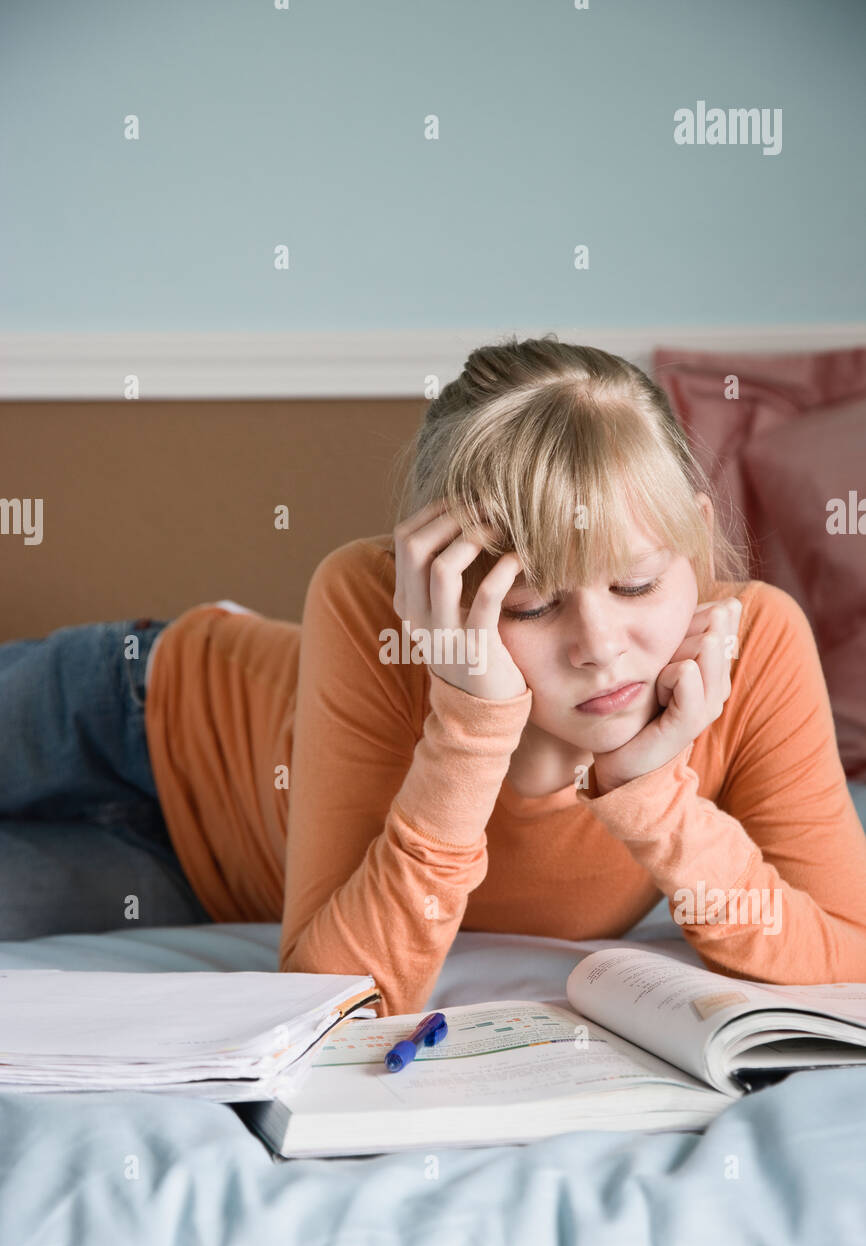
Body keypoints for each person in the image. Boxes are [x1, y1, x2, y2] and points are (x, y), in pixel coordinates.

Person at [3, 337, 865, 1013]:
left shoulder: (756, 647)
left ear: (696, 538)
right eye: (531, 606)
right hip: (141, 702)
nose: (600, 646)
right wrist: (468, 711)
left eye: (637, 583)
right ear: (443, 587)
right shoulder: (370, 603)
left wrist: (650, 788)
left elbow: (846, 953)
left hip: (197, 876)